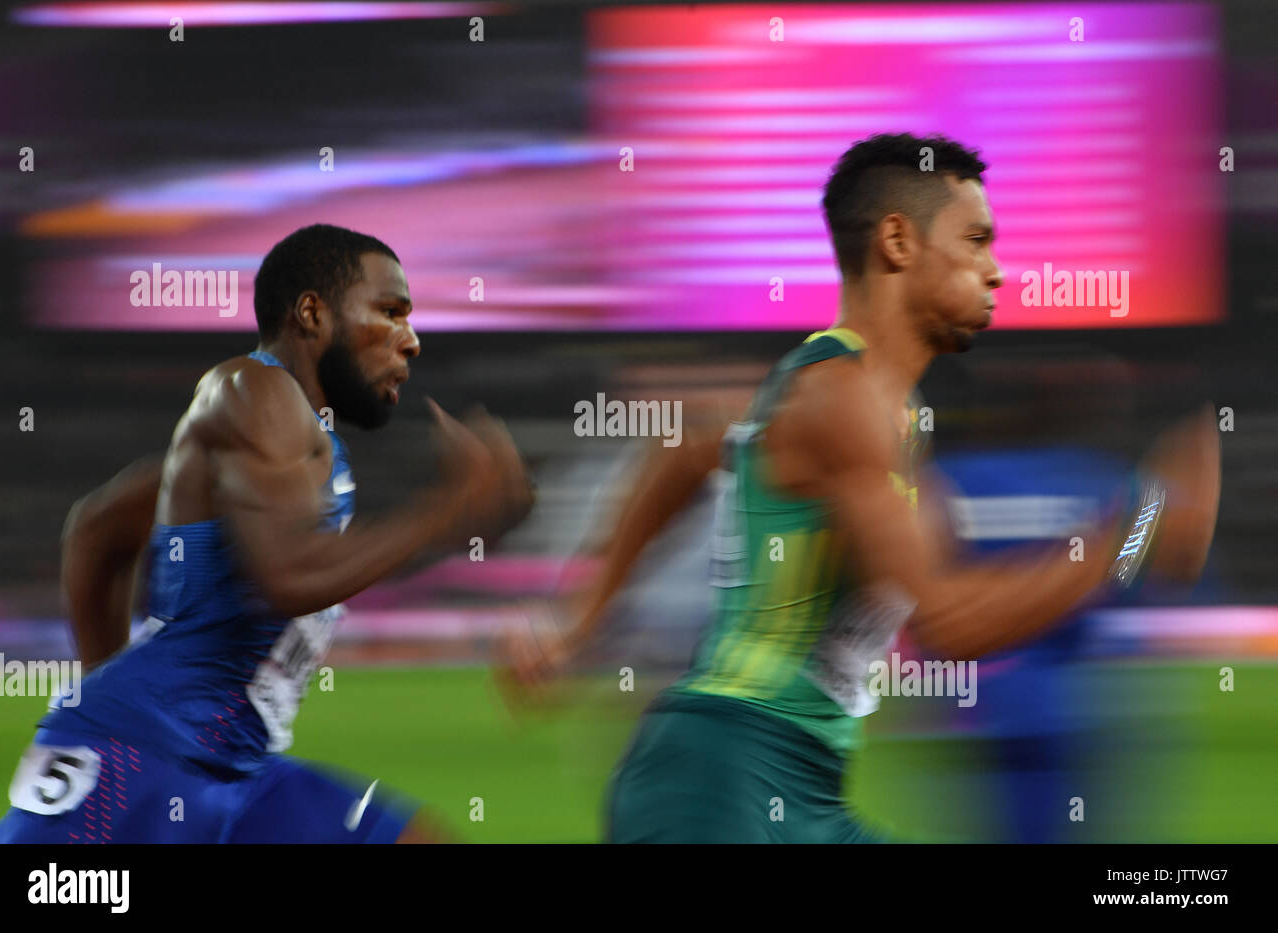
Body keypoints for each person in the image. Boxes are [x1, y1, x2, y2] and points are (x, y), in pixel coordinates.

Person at [498, 133, 1220, 843]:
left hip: (796, 786)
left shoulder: (872, 407)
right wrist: (1136, 528)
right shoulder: (844, 402)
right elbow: (949, 624)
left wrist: (581, 620)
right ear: (898, 242)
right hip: (720, 780)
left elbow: (686, 451)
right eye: (975, 240)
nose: (996, 271)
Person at [0, 223, 532, 844]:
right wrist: (448, 512)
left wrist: (103, 682)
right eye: (390, 312)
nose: (411, 340)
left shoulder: (291, 449)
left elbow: (97, 529)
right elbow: (288, 576)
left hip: (236, 772)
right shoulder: (253, 388)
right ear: (311, 313)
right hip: (136, 769)